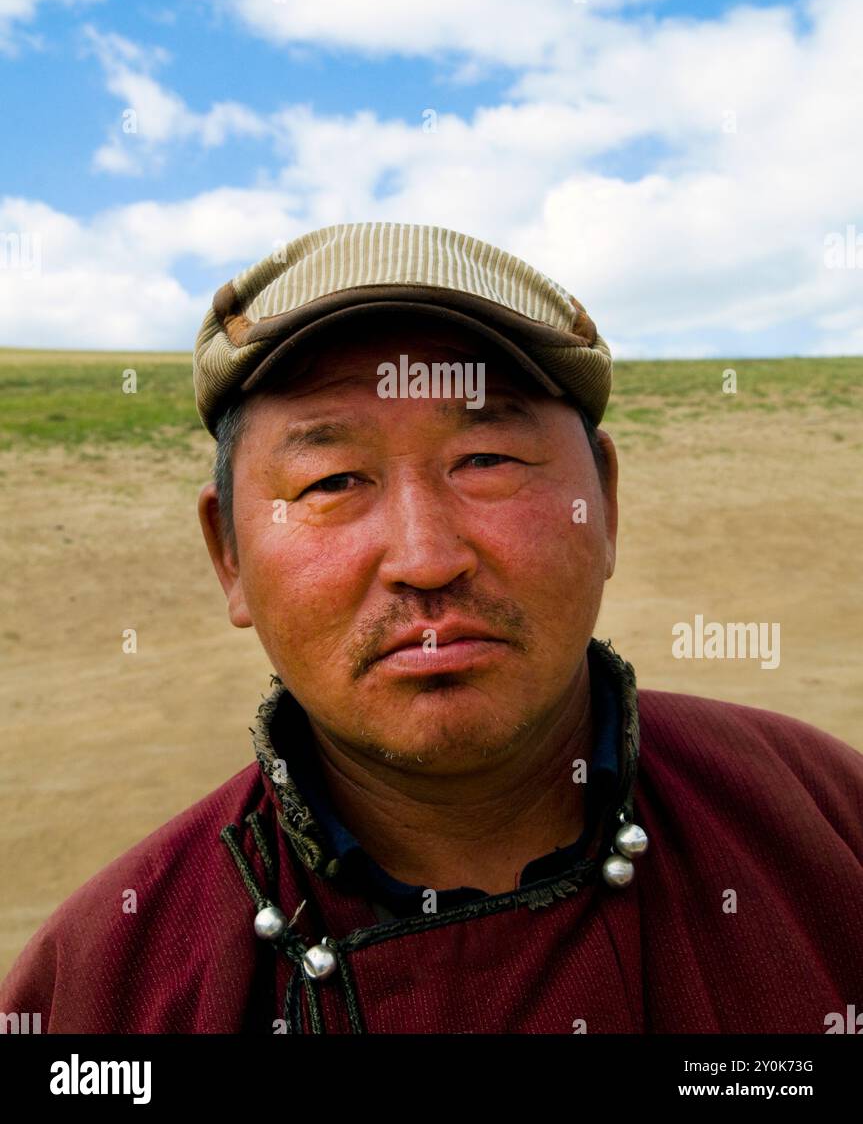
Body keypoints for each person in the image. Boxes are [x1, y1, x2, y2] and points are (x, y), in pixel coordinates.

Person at [2, 220, 861, 1034]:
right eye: (332, 480)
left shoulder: (828, 825)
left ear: (600, 503)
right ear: (229, 553)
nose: (424, 556)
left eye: (485, 460)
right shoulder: (95, 992)